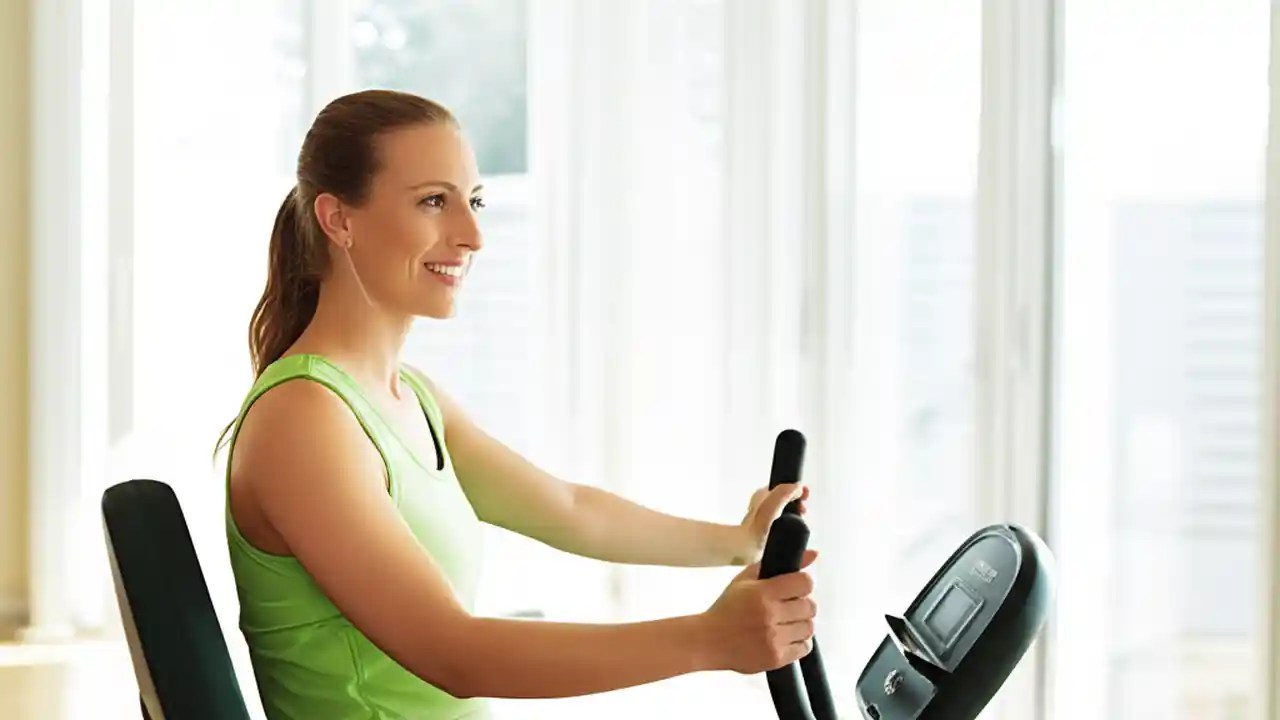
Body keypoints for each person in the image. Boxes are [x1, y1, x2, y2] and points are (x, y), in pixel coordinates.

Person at [219, 89, 818, 720]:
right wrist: (708, 640)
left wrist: (738, 541)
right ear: (339, 220)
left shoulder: (408, 397)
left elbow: (571, 510)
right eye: (433, 201)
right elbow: (454, 654)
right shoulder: (305, 420)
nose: (473, 234)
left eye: (474, 201)